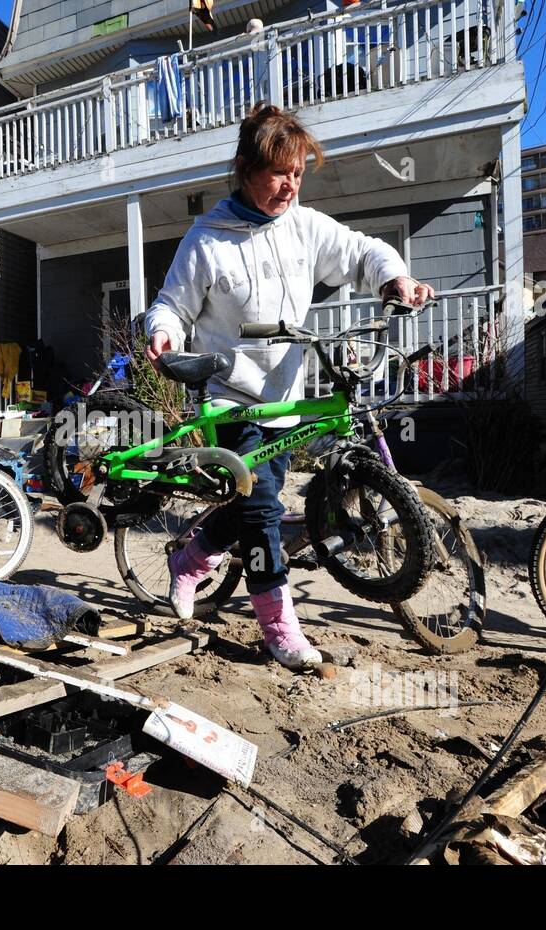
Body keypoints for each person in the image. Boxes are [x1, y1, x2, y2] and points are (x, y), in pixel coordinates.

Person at [144, 103, 435, 670]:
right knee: (261, 513)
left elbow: (362, 251)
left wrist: (394, 276)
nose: (290, 184)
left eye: (299, 172)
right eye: (280, 172)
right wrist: (163, 334)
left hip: (283, 396)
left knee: (255, 501)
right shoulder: (206, 239)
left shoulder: (304, 226)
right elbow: (172, 306)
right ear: (247, 169)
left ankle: (190, 560)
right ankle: (279, 627)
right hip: (229, 393)